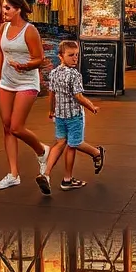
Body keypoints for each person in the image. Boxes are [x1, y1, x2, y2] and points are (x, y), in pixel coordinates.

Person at [0, 0, 51, 191]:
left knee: (17, 127)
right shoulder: (2, 28)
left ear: (18, 9)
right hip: (6, 82)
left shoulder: (30, 30)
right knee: (7, 127)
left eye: (7, 8)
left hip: (27, 82)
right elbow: (0, 54)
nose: (4, 11)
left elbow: (39, 58)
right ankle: (13, 174)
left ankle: (42, 150)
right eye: (3, 7)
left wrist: (25, 66)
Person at [38, 40, 105, 194]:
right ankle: (93, 156)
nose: (75, 58)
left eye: (76, 55)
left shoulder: (54, 73)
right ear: (60, 56)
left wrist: (51, 110)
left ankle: (46, 174)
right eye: (71, 55)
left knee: (60, 143)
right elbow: (78, 96)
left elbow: (51, 93)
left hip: (60, 116)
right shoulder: (75, 75)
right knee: (74, 144)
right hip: (74, 116)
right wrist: (91, 106)